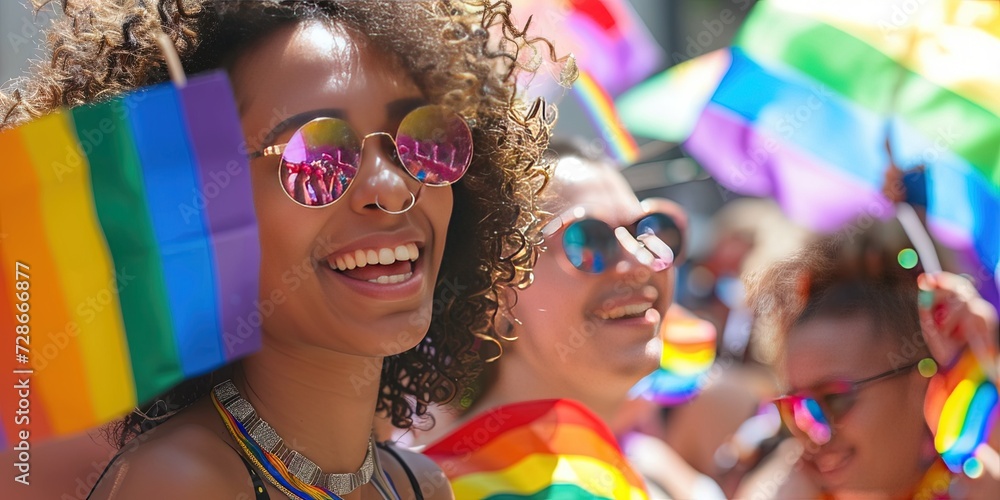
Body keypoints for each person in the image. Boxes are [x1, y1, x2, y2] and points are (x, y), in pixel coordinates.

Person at [0, 1, 559, 498]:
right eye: (316, 158)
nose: (391, 189)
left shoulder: (417, 485)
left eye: (422, 138)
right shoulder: (183, 485)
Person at [421, 139, 681, 498]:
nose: (640, 260)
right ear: (495, 295)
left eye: (647, 230)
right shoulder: (438, 491)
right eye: (587, 239)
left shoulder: (646, 483)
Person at [743, 222, 999, 499]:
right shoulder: (789, 487)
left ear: (924, 386)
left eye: (835, 399)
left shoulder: (979, 484)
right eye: (794, 408)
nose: (813, 433)